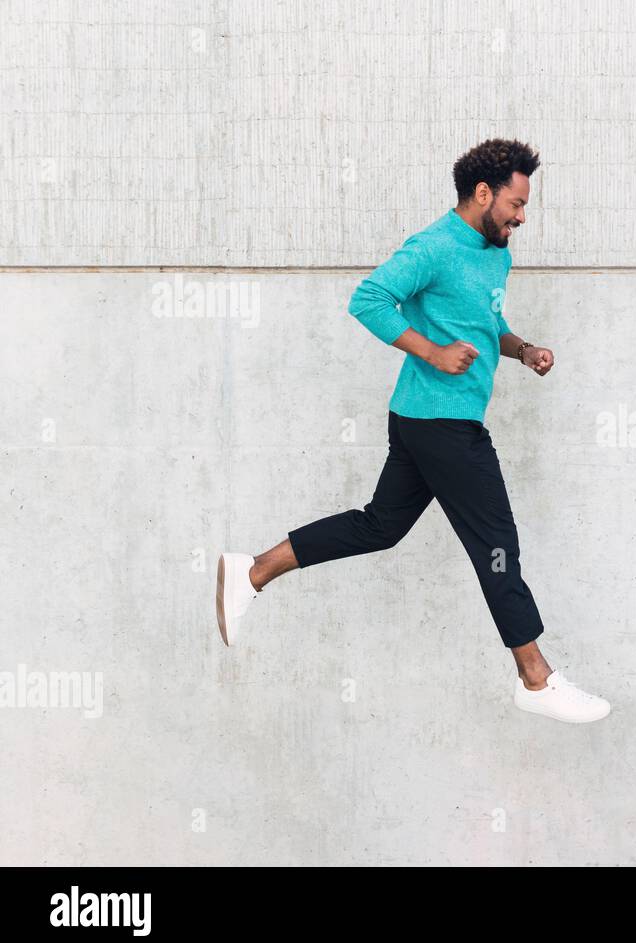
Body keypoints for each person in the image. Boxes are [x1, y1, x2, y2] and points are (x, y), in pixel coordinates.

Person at [215, 138, 610, 724]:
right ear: (483, 193)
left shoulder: (494, 253)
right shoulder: (433, 246)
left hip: (427, 419)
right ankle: (534, 675)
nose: (522, 217)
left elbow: (485, 318)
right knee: (496, 544)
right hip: (441, 423)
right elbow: (369, 298)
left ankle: (252, 570)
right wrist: (430, 351)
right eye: (517, 204)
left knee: (381, 525)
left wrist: (523, 350)